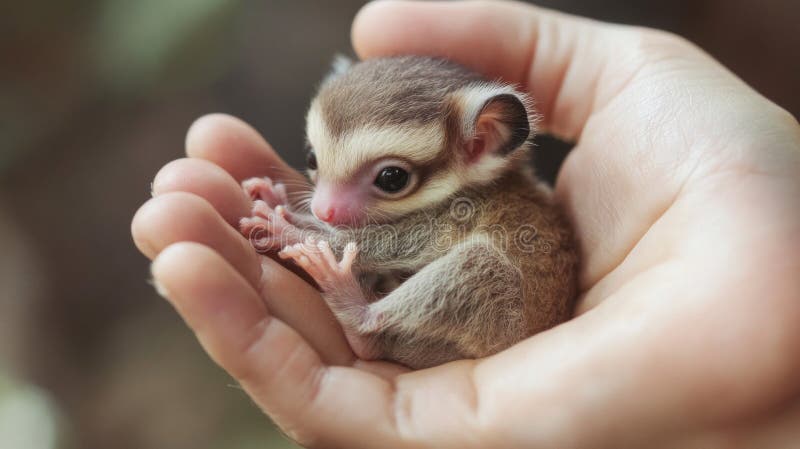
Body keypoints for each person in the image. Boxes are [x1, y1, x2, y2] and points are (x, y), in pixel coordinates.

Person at [131, 1, 800, 447]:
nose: (328, 202)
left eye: (388, 176)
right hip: (438, 323)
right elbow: (368, 235)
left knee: (468, 258)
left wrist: (312, 243)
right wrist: (296, 225)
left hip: (485, 325)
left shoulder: (476, 204)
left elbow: (391, 244)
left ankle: (363, 320)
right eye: (316, 163)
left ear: (480, 144)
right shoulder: (399, 201)